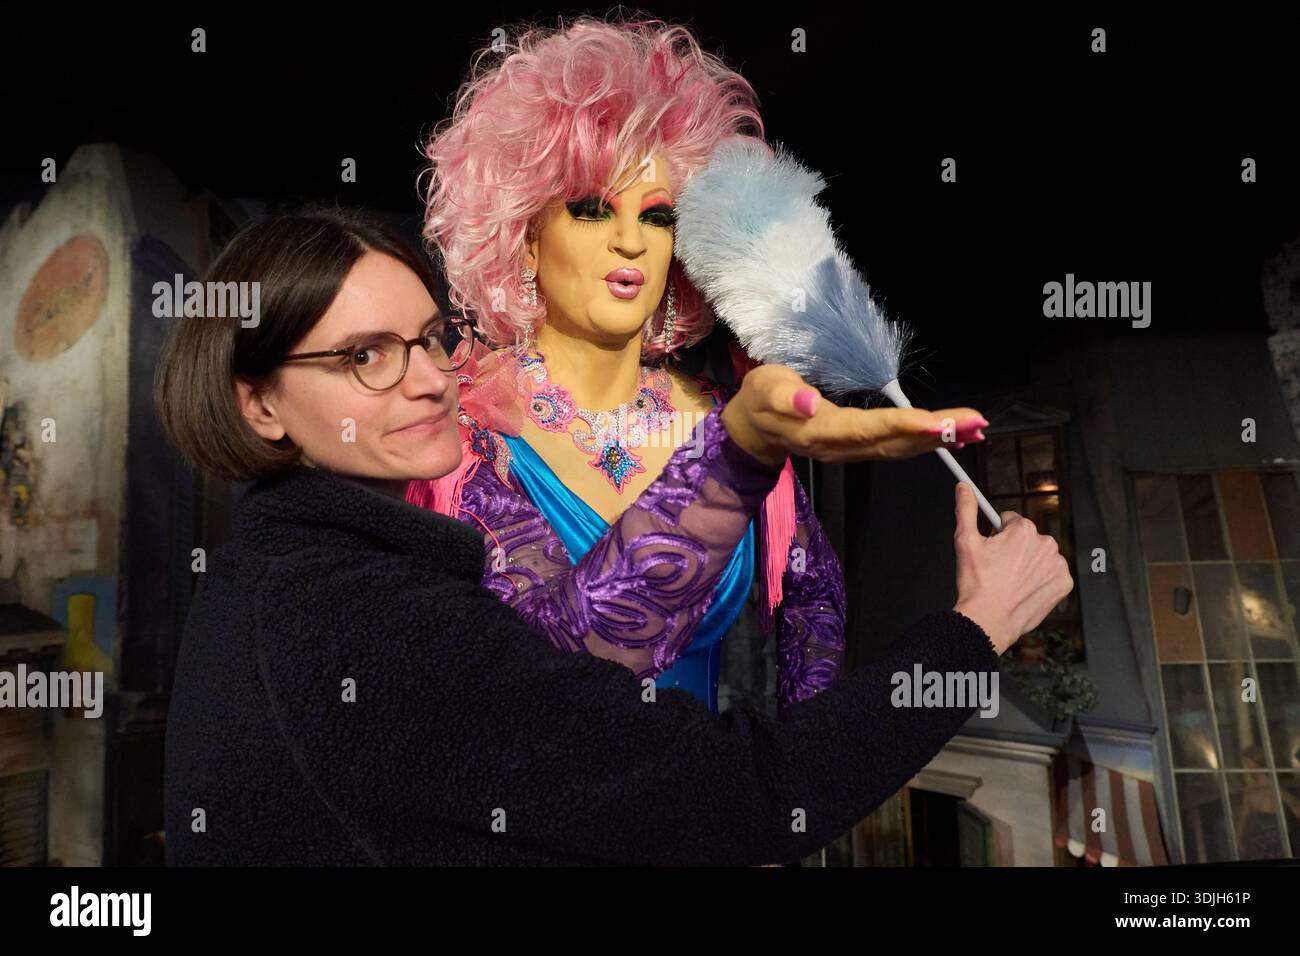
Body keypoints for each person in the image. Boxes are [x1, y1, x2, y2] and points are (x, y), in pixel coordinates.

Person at [157, 206, 1073, 865]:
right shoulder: (361, 608)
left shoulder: (277, 570)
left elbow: (798, 666)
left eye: (432, 339)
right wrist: (974, 631)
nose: (431, 378)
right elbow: (716, 775)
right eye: (365, 356)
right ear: (260, 403)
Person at [411, 16, 991, 712]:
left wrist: (984, 621)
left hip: (706, 816)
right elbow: (562, 664)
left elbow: (816, 682)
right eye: (593, 209)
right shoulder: (462, 439)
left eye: (657, 216)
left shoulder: (730, 414)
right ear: (524, 240)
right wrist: (737, 455)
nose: (630, 240)